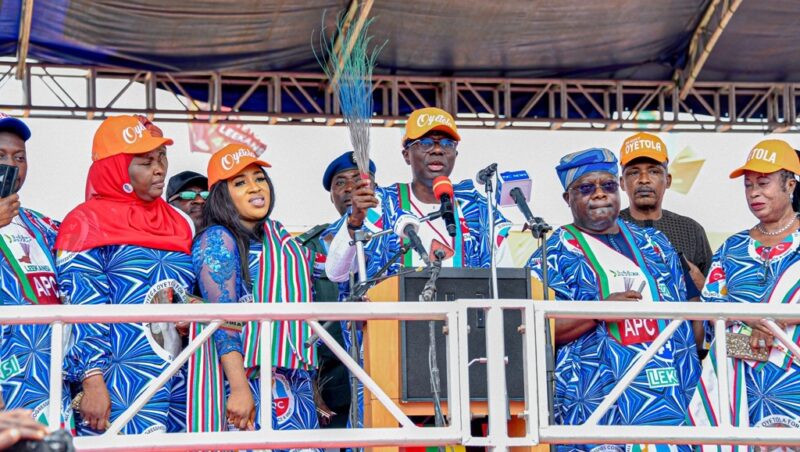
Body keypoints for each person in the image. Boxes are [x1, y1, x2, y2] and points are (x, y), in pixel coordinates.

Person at [527, 148, 700, 452]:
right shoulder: (551, 255)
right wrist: (600, 312)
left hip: (669, 396)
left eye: (607, 186)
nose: (599, 195)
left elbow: (689, 314)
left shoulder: (656, 243)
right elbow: (535, 330)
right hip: (596, 404)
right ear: (568, 198)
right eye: (585, 188)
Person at [55, 115, 195, 435]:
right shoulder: (84, 222)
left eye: (162, 158)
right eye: (146, 162)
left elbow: (182, 294)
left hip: (181, 379)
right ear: (116, 169)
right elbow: (82, 310)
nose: (160, 169)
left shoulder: (180, 222)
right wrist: (92, 382)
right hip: (117, 382)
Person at [189, 143, 319, 443]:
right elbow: (223, 319)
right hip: (244, 380)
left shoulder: (281, 240)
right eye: (240, 182)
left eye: (259, 178)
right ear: (222, 194)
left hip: (290, 383)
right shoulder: (217, 240)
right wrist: (238, 388)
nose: (254, 188)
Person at [325, 107, 511, 284]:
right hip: (393, 316)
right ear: (407, 155)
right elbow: (337, 273)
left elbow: (508, 280)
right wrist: (355, 221)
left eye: (447, 144)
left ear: (455, 153)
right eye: (426, 143)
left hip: (465, 317)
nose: (437, 150)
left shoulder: (479, 210)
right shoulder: (381, 205)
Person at [688, 139, 800, 433]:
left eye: (763, 183)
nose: (754, 193)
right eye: (748, 185)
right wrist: (749, 323)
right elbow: (711, 314)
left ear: (790, 186)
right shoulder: (732, 248)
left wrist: (774, 324)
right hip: (740, 388)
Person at [0, 113, 73, 429]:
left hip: (51, 379)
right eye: (0, 156)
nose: (11, 165)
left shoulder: (45, 227)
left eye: (19, 157)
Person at [296, 151, 376, 430]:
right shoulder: (311, 246)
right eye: (340, 183)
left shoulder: (398, 234)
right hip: (335, 381)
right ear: (331, 196)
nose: (350, 188)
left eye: (358, 179)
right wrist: (312, 387)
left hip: (390, 366)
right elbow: (301, 322)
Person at [617, 132, 712, 292]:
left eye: (654, 171)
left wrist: (704, 287)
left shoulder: (690, 230)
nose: (644, 179)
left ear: (668, 180)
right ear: (622, 183)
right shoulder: (609, 227)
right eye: (633, 172)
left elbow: (713, 294)